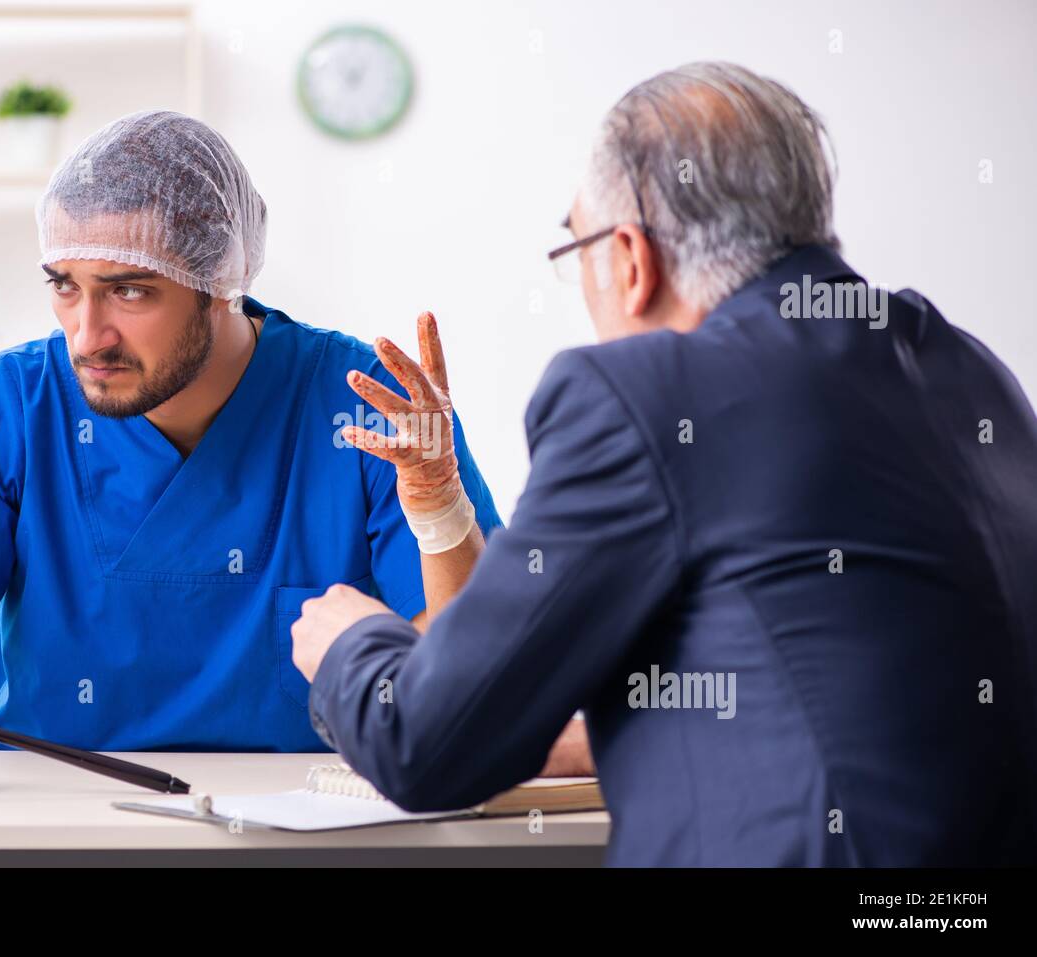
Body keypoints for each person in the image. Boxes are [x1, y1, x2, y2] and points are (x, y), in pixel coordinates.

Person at [291, 62, 1037, 865]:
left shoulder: (645, 394)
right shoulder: (966, 366)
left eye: (574, 251)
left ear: (631, 258)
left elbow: (425, 745)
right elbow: (813, 668)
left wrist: (354, 644)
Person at [0, 111, 563, 759]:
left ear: (219, 282)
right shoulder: (7, 409)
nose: (86, 334)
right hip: (56, 829)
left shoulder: (369, 407)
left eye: (129, 289)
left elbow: (476, 689)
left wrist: (439, 512)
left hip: (314, 831)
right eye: (65, 285)